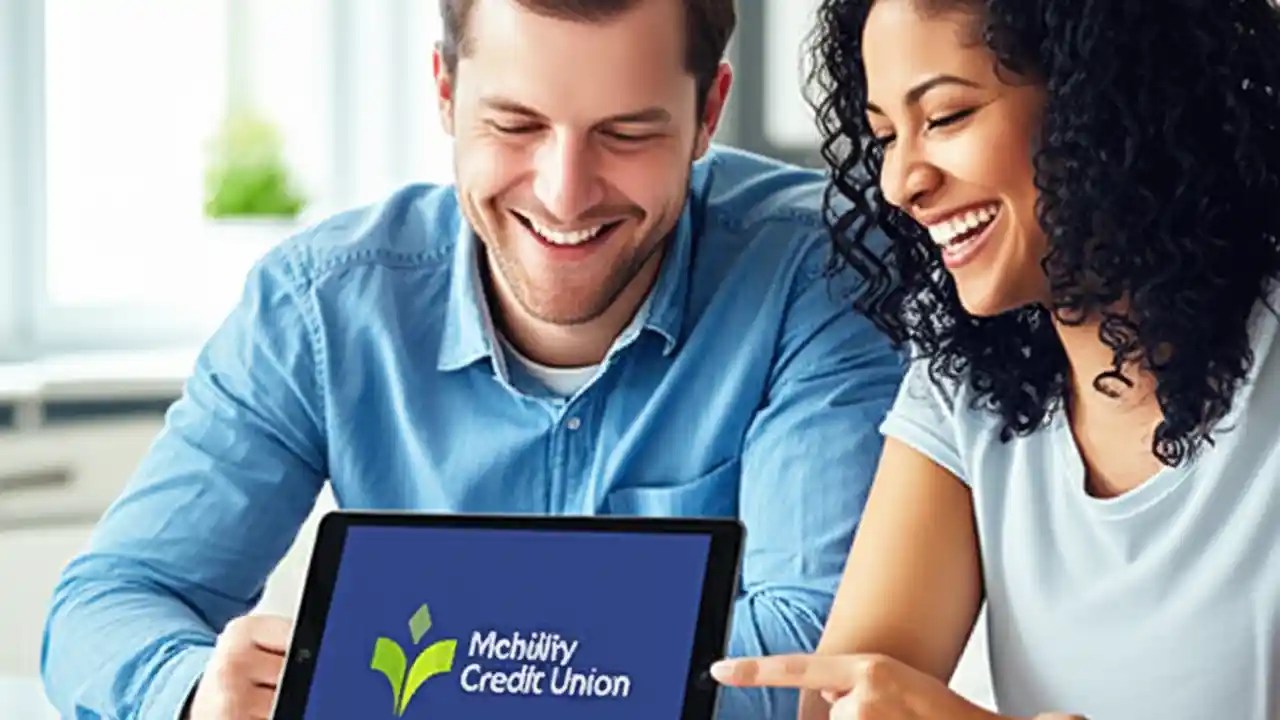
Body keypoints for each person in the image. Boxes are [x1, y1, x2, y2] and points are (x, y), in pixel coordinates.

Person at [39, 1, 905, 718]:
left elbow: (816, 660)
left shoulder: (823, 270)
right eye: (516, 124)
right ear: (446, 93)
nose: (565, 192)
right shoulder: (321, 305)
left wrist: (397, 675)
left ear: (706, 114)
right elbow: (108, 601)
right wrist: (194, 695)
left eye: (627, 133)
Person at [710, 0, 1280, 718]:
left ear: (1103, 99)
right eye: (886, 135)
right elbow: (842, 700)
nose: (900, 182)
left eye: (945, 117)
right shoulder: (964, 382)